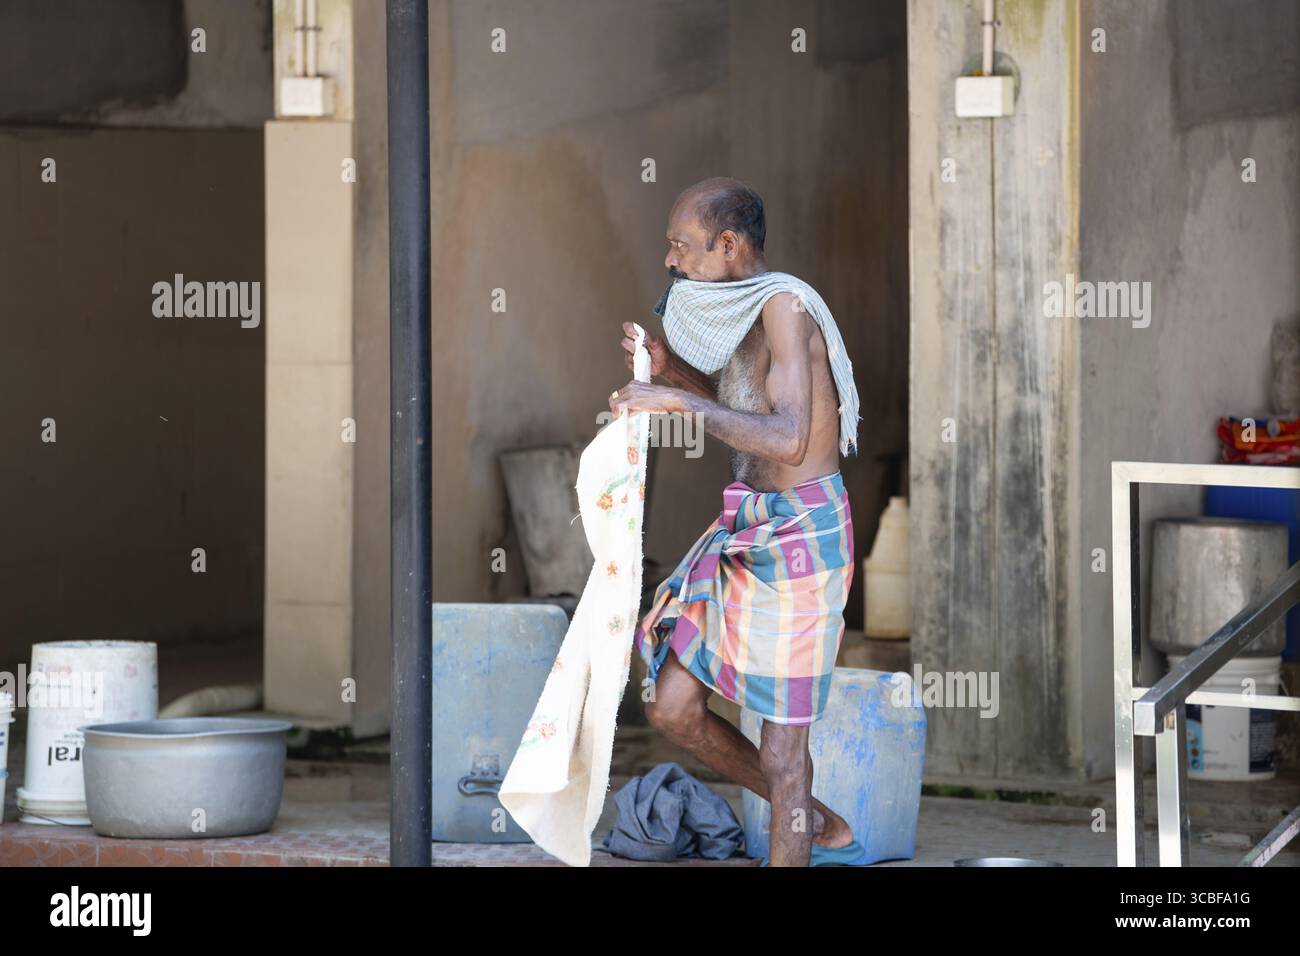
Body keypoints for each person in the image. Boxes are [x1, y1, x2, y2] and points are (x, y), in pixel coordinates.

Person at [607, 177, 865, 867]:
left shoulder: (785, 304)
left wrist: (676, 403)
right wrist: (674, 375)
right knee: (670, 708)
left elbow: (785, 439)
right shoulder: (740, 308)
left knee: (784, 751)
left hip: (803, 537)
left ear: (728, 244)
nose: (671, 261)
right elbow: (744, 416)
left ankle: (798, 818)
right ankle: (814, 818)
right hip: (748, 523)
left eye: (681, 246)